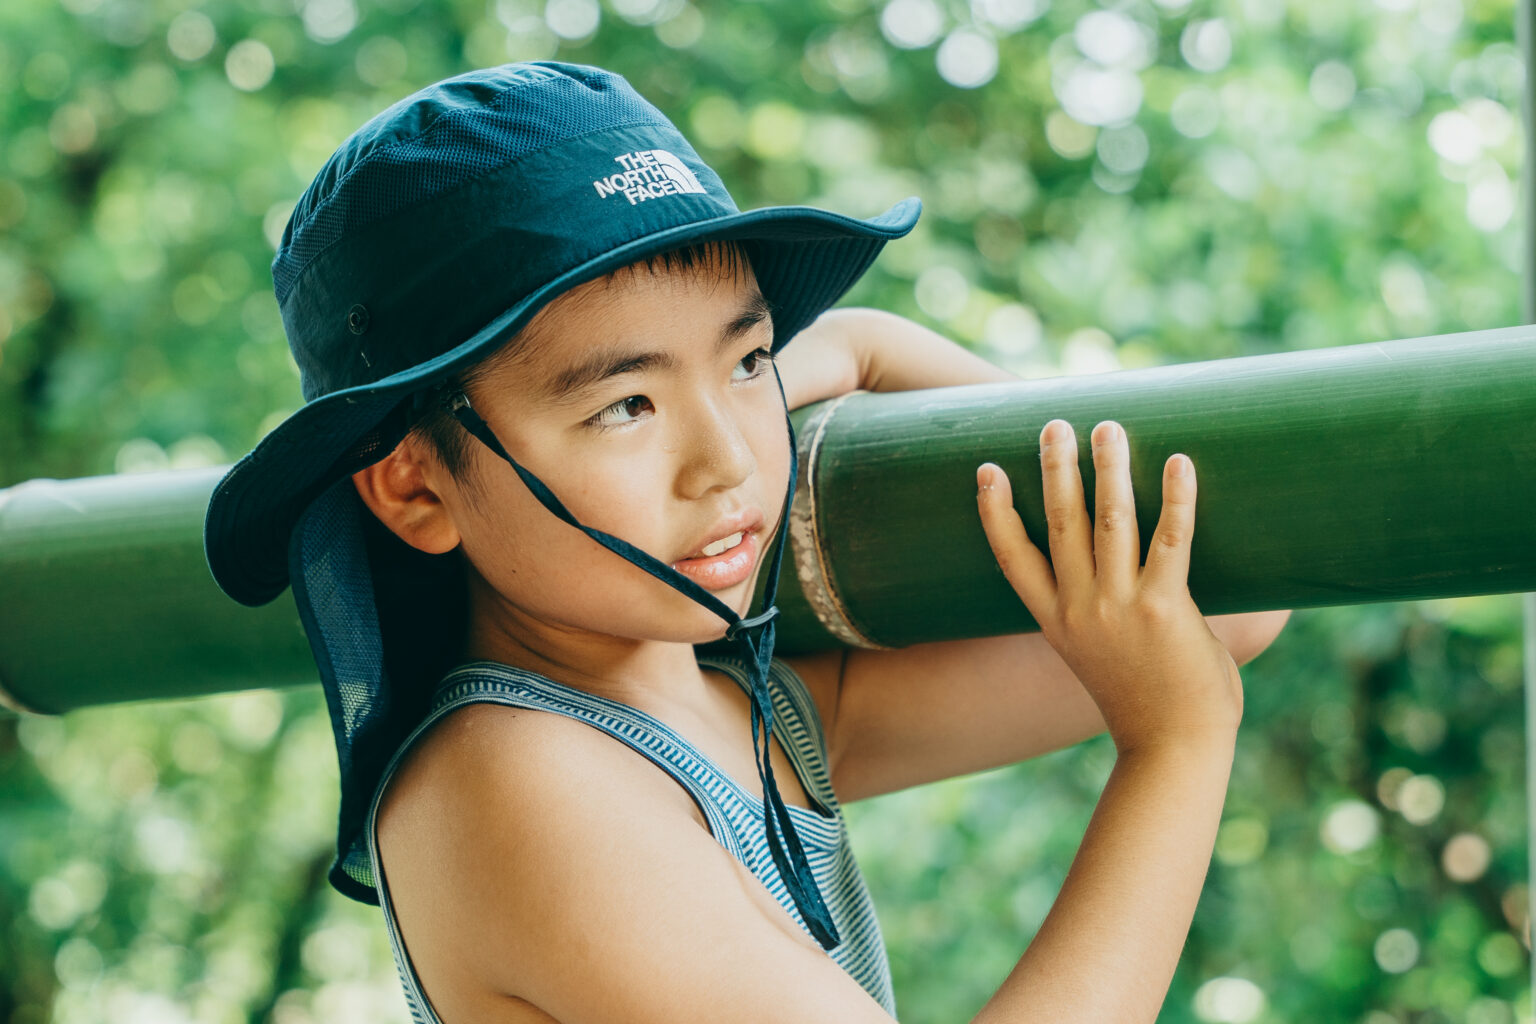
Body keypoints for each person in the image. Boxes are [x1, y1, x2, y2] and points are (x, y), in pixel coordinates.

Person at [203, 61, 1291, 1022]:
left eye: (749, 359)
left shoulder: (753, 717)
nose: (725, 463)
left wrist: (864, 347)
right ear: (413, 488)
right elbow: (1199, 661)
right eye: (626, 405)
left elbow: (1229, 601)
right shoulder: (514, 780)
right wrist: (1175, 750)